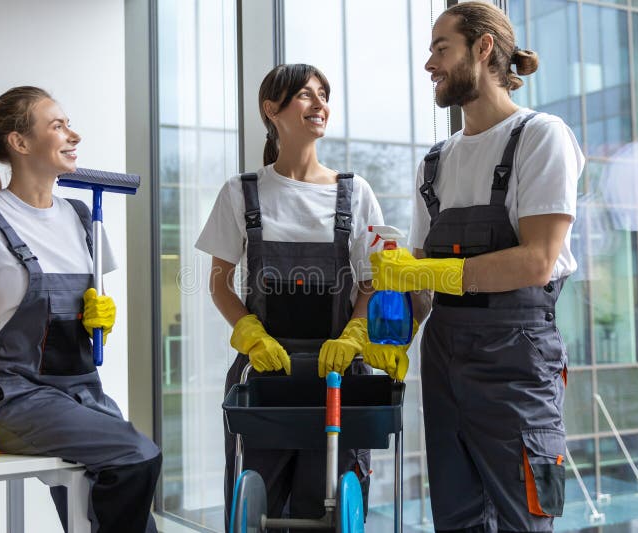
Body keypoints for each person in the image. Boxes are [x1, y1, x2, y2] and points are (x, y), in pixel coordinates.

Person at [369, 3, 584, 532]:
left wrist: (435, 276)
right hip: (444, 355)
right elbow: (418, 276)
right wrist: (383, 337)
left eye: (441, 49)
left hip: (516, 353)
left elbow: (538, 259)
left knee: (523, 517)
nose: (430, 65)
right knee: (457, 517)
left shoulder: (541, 135)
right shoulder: (435, 162)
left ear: (483, 48)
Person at [0, 86, 161, 533]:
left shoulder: (82, 217)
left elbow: (74, 319)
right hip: (15, 396)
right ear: (20, 143)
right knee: (136, 454)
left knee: (121, 484)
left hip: (80, 389)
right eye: (57, 126)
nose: (73, 134)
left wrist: (98, 317)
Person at [195, 63, 384, 528]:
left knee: (332, 508)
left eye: (324, 94)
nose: (319, 104)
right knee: (256, 507)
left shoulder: (355, 193)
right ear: (271, 110)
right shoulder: (242, 193)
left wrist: (357, 333)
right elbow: (219, 281)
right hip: (264, 383)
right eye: (305, 95)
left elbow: (371, 282)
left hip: (339, 379)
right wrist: (250, 334)